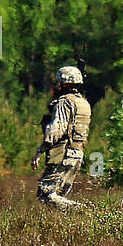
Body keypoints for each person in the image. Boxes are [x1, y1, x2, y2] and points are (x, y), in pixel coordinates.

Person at [31, 65, 91, 209]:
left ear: (63, 83)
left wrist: (40, 151)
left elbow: (56, 129)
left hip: (63, 154)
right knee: (58, 197)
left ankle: (84, 211)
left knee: (46, 195)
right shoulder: (84, 103)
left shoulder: (64, 102)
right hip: (77, 154)